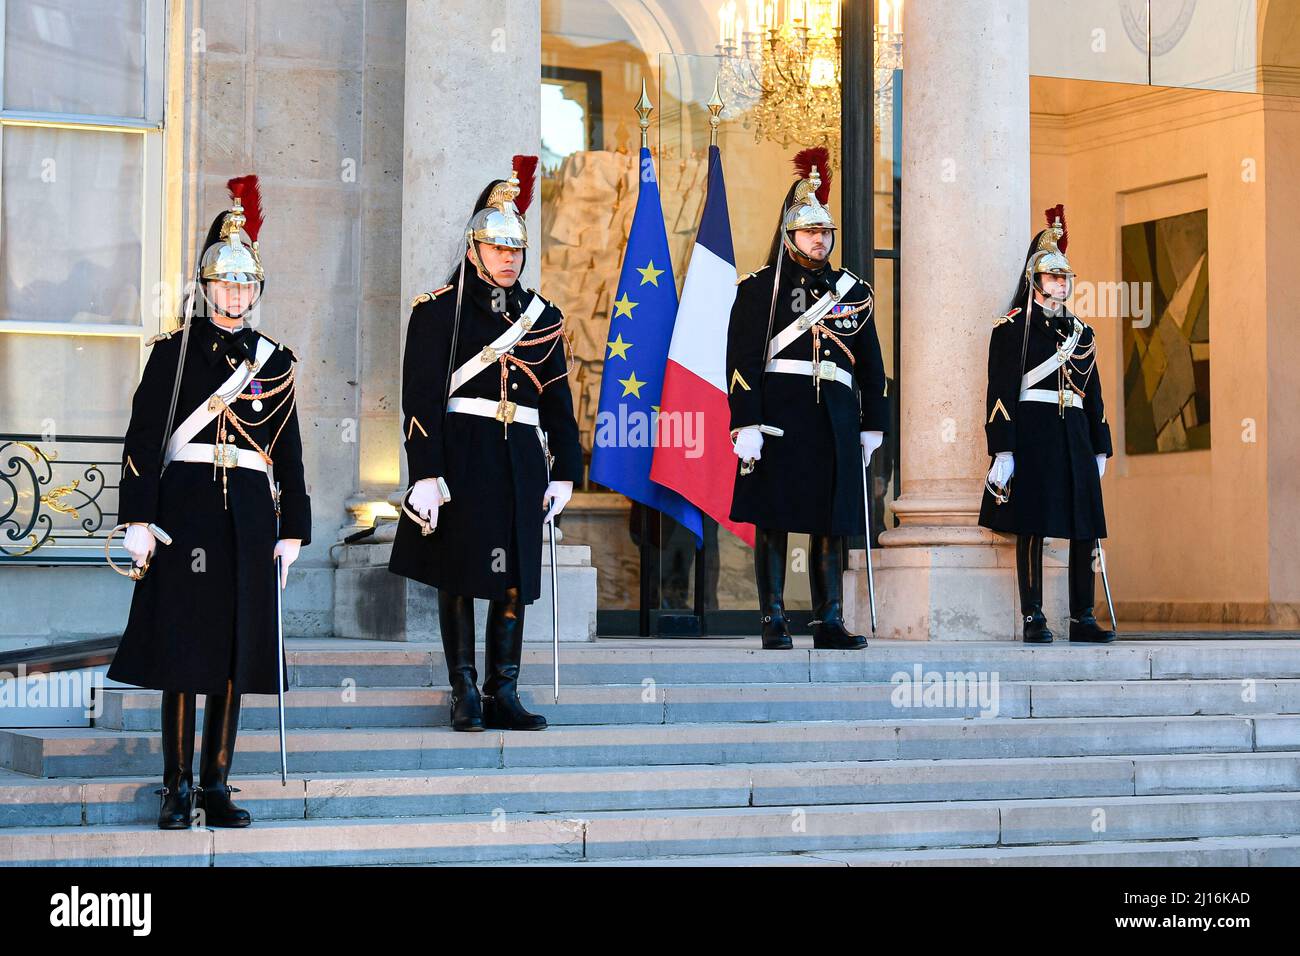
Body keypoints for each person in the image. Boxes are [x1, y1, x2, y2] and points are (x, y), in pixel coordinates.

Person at [109, 175, 311, 828]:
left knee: (233, 650)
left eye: (245, 284)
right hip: (186, 510)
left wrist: (294, 527)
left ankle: (217, 783)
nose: (235, 294)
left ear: (256, 291)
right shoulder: (173, 354)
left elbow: (291, 451)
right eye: (225, 282)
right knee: (183, 651)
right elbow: (143, 438)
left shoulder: (273, 363)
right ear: (206, 286)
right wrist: (136, 517)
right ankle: (175, 787)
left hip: (250, 514)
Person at [388, 155, 582, 731]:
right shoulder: (438, 312)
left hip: (520, 453)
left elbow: (558, 403)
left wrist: (565, 470)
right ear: (473, 249)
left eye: (515, 249)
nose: (508, 258)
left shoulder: (542, 317)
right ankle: (464, 689)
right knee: (459, 572)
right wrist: (424, 473)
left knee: (513, 575)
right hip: (462, 451)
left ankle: (505, 690)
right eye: (498, 248)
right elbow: (418, 400)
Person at [725, 147, 889, 651]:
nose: (820, 240)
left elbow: (872, 365)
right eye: (810, 232)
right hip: (781, 410)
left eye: (825, 233)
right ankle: (773, 617)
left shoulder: (852, 290)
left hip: (834, 414)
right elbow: (741, 362)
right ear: (791, 235)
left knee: (831, 519)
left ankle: (828, 620)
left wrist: (872, 423)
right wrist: (745, 422)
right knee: (775, 516)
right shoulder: (760, 289)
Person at [978, 205, 1114, 644]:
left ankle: (1082, 616)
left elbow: (1092, 392)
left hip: (1073, 431)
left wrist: (1100, 444)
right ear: (1035, 281)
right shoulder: (1012, 329)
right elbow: (999, 391)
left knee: (1084, 526)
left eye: (1064, 277)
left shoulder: (1082, 332)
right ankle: (1033, 615)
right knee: (1033, 523)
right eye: (1053, 277)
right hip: (1033, 429)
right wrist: (1003, 448)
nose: (1060, 284)